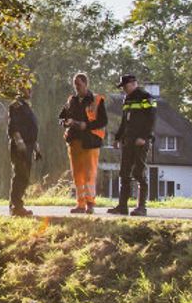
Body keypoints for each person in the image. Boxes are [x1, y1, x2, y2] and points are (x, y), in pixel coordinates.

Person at [107, 74, 157, 216]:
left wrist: (144, 137)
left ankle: (142, 207)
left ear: (134, 83)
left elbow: (151, 119)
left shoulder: (146, 97)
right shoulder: (127, 99)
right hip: (128, 141)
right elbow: (125, 120)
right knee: (124, 173)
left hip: (140, 141)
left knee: (138, 173)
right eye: (122, 87)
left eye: (125, 86)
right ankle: (122, 206)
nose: (123, 89)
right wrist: (117, 138)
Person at [58, 72, 107, 214]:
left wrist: (86, 126)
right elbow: (61, 117)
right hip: (74, 141)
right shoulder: (71, 100)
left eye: (78, 84)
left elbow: (103, 121)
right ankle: (80, 204)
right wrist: (65, 122)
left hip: (90, 142)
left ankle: (90, 204)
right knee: (77, 174)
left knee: (89, 173)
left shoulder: (96, 100)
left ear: (86, 84)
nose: (76, 87)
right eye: (75, 84)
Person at [7, 87, 40, 217]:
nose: (30, 92)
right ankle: (16, 207)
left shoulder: (26, 106)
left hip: (29, 145)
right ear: (20, 90)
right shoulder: (16, 105)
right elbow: (13, 125)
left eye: (31, 89)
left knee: (24, 176)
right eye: (27, 89)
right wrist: (19, 141)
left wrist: (35, 145)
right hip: (20, 145)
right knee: (20, 174)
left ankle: (17, 205)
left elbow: (31, 127)